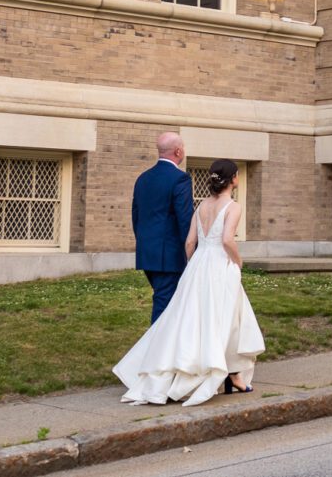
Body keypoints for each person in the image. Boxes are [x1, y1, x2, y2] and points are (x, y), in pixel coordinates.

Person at [114, 158, 266, 406]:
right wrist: (238, 261)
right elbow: (227, 240)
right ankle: (228, 374)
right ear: (233, 179)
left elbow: (189, 242)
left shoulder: (202, 205)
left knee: (190, 319)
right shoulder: (233, 207)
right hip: (220, 264)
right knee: (225, 320)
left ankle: (226, 375)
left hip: (197, 264)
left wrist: (193, 264)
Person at [131, 132, 195, 325]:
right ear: (178, 151)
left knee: (165, 300)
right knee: (165, 306)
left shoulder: (143, 178)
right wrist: (192, 251)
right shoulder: (180, 179)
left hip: (147, 253)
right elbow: (185, 220)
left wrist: (144, 243)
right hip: (170, 255)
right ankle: (156, 343)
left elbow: (136, 216)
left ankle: (169, 341)